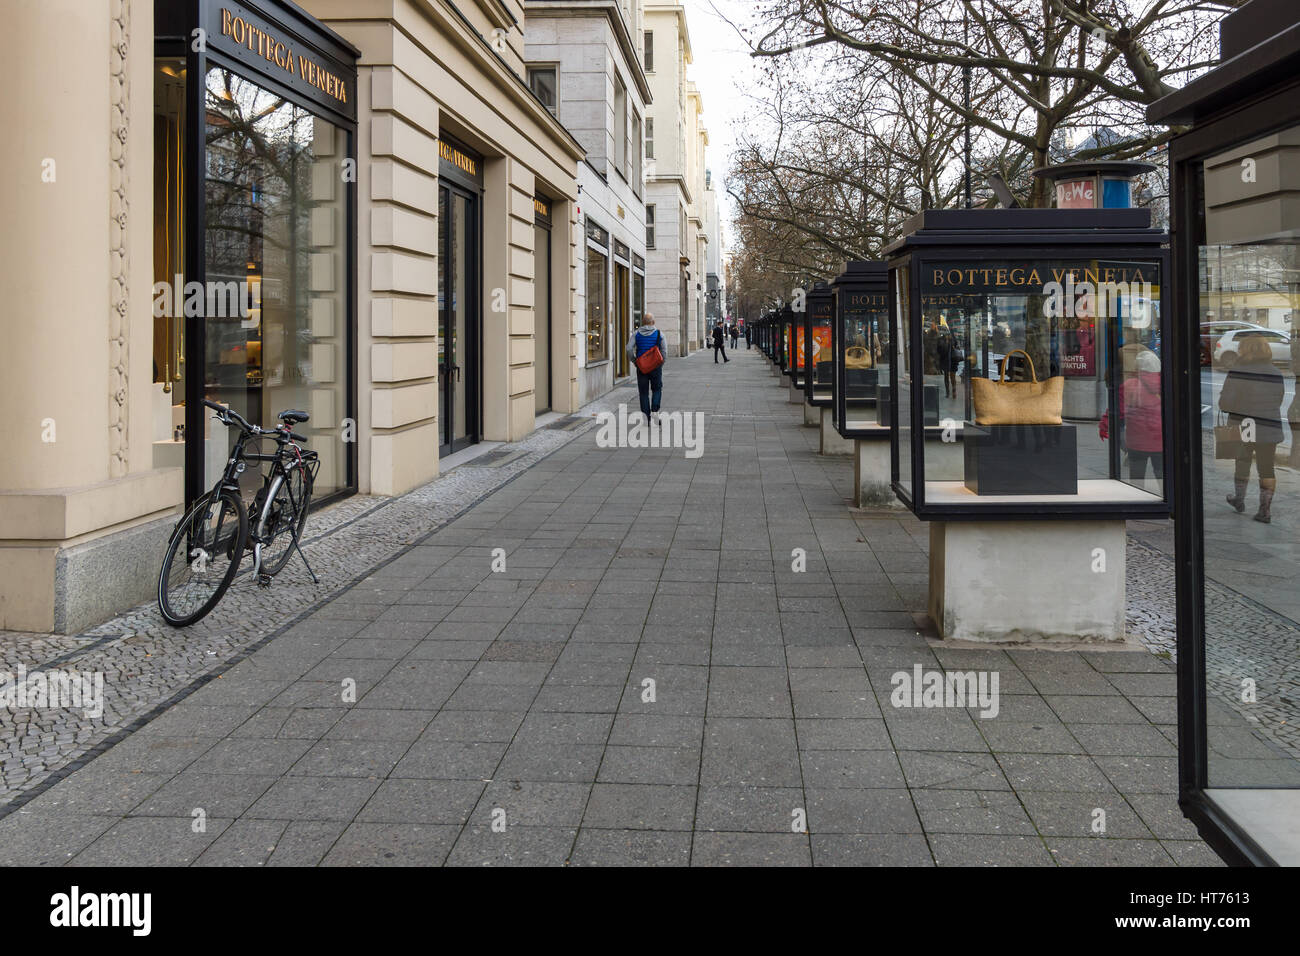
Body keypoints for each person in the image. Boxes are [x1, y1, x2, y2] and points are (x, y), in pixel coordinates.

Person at [1220, 334, 1284, 523]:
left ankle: (1239, 500)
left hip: (1244, 424)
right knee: (1267, 468)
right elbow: (1278, 400)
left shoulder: (1238, 371)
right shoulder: (1275, 372)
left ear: (1244, 349)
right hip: (1268, 425)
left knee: (1242, 462)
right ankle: (1264, 511)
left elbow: (1226, 403)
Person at [1100, 349, 1163, 481]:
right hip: (1160, 441)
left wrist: (1104, 425)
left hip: (1137, 441)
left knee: (1136, 479)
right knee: (1162, 477)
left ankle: (1138, 499)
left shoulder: (1130, 385)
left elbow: (1117, 410)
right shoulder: (1166, 384)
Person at [626, 313, 666, 421]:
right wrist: (661, 364)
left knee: (643, 392)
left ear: (643, 323)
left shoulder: (636, 334)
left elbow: (629, 348)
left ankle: (646, 418)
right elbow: (664, 351)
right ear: (653, 322)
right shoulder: (659, 334)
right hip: (655, 368)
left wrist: (635, 361)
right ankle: (655, 411)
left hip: (642, 368)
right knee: (657, 389)